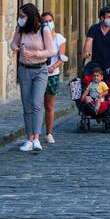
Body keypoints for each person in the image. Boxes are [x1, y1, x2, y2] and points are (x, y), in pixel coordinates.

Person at [11, 3, 57, 153]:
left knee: (37, 103)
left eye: (23, 16)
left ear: (30, 16)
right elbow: (13, 43)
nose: (20, 19)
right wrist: (15, 48)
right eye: (20, 16)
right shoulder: (21, 29)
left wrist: (36, 54)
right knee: (27, 104)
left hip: (40, 71)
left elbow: (50, 51)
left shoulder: (44, 30)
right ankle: (29, 138)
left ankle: (37, 138)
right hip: (24, 70)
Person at [40, 10, 68, 144]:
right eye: (44, 21)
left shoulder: (59, 38)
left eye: (49, 21)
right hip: (38, 74)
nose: (47, 23)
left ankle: (49, 133)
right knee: (36, 105)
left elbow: (61, 57)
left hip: (52, 75)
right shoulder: (38, 37)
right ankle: (34, 133)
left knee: (49, 105)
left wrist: (54, 66)